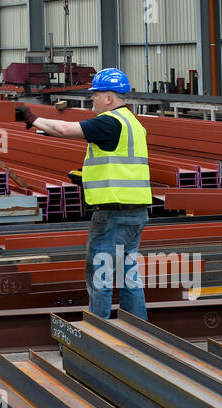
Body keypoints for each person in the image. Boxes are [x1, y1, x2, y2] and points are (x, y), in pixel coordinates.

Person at [15, 68, 152, 320]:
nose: (92, 99)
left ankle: (97, 329)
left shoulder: (109, 121)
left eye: (95, 94)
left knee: (99, 272)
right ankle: (139, 328)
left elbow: (66, 130)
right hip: (136, 211)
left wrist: (31, 117)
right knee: (126, 270)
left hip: (112, 214)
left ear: (109, 98)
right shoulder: (134, 123)